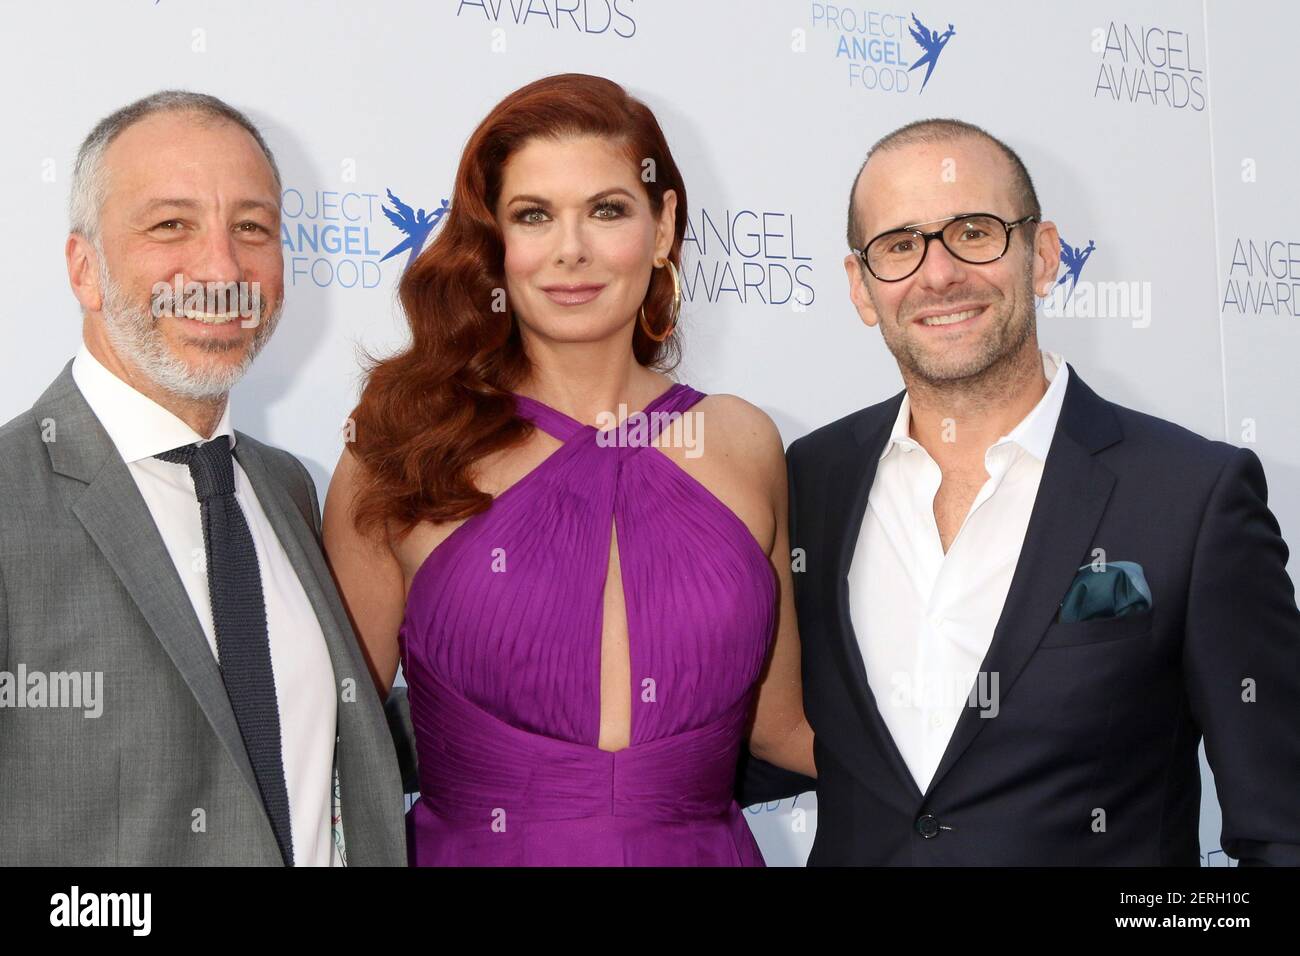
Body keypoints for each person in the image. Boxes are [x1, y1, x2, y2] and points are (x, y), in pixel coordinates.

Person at [738, 118, 1300, 866]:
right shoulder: (810, 479)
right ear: (862, 288)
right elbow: (772, 740)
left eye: (974, 231)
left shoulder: (1192, 498)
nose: (938, 275)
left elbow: (1281, 826)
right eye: (900, 246)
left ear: (1042, 255)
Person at [324, 73, 815, 866]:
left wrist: (1016, 758)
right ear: (495, 244)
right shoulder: (402, 449)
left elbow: (784, 729)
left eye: (608, 210)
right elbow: (324, 744)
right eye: (534, 216)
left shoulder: (742, 442)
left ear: (663, 228)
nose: (571, 250)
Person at [0, 91, 406, 865]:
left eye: (251, 227)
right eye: (170, 225)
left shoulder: (285, 489)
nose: (222, 269)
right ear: (85, 268)